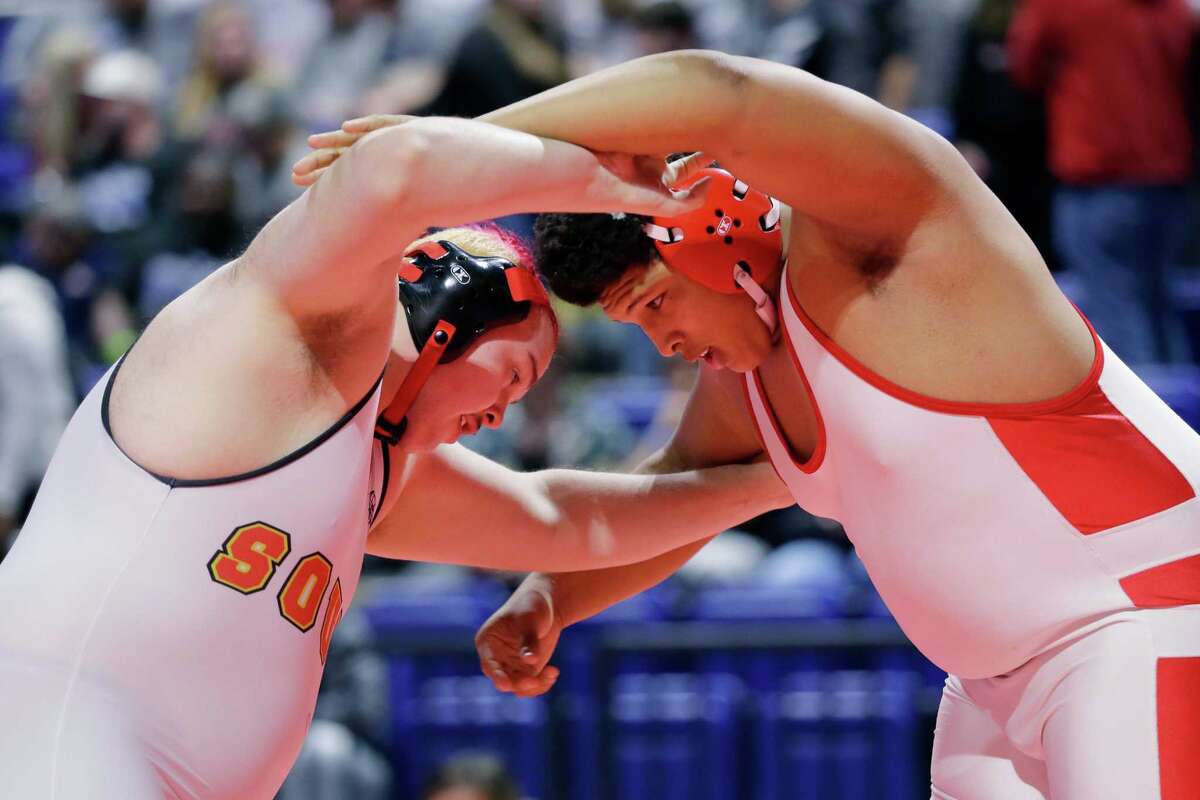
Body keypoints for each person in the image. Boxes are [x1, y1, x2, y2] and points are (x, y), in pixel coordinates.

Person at [298, 49, 1200, 798]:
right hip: (991, 687)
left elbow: (720, 93)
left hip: (1137, 626)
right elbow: (671, 495)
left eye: (653, 305)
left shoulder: (890, 244)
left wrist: (455, 150)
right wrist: (551, 596)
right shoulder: (752, 374)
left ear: (702, 230)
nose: (662, 342)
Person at [0, 114, 789, 799]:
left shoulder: (371, 471)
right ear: (445, 315)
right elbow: (393, 165)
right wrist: (621, 193)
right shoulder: (284, 340)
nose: (501, 415)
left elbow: (565, 520)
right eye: (513, 374)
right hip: (63, 732)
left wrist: (783, 478)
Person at [1008, 0, 1195, 365]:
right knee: (1159, 310)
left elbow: (1024, 67)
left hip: (1100, 178)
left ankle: (1145, 420)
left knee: (1119, 315)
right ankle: (1180, 418)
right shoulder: (1175, 8)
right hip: (1169, 180)